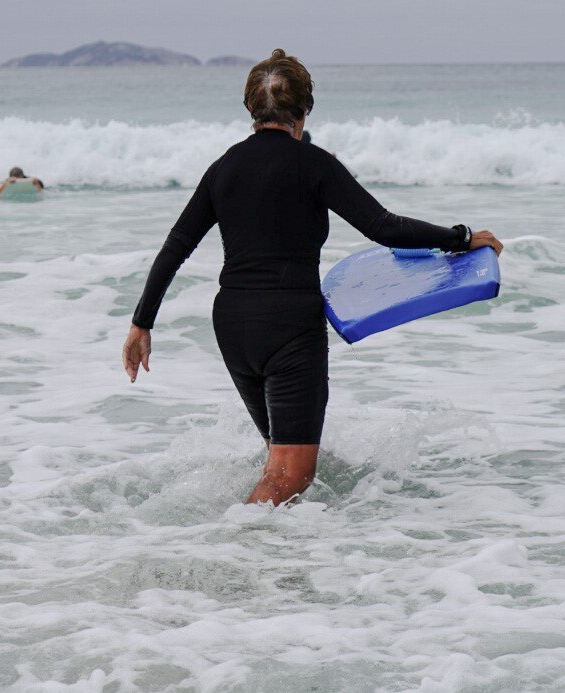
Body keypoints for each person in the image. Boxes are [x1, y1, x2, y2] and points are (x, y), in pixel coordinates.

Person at [121, 49, 502, 506]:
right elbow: (383, 227)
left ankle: (271, 548)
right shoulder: (314, 164)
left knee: (279, 461)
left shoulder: (223, 167)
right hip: (289, 326)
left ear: (250, 109)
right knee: (291, 477)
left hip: (234, 324)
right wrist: (460, 237)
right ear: (305, 109)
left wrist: (141, 324)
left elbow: (175, 247)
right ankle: (231, 542)